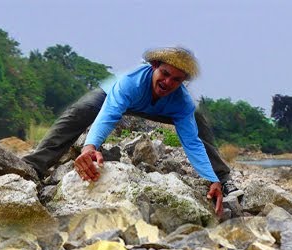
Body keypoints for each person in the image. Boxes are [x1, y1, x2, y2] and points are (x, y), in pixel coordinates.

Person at [24, 46, 232, 214]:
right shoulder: (130, 83)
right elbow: (108, 115)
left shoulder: (182, 102)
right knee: (80, 111)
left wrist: (210, 178)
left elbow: (191, 143)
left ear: (183, 81)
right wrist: (90, 147)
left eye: (176, 80)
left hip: (160, 109)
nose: (168, 82)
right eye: (165, 73)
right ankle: (33, 166)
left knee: (198, 121)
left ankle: (221, 180)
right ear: (154, 66)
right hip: (114, 98)